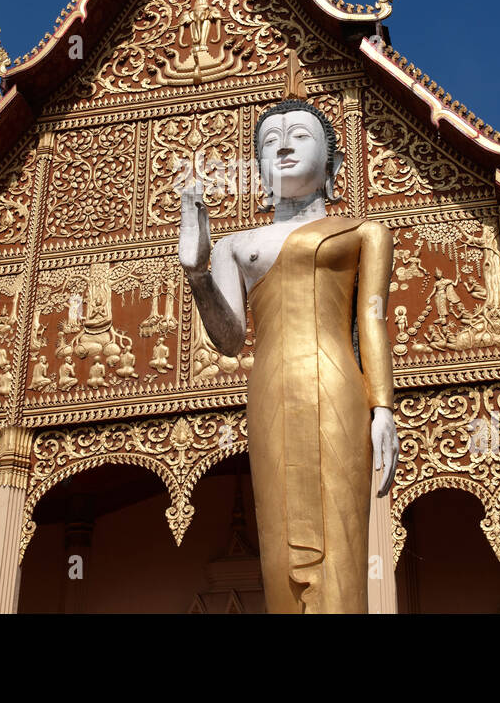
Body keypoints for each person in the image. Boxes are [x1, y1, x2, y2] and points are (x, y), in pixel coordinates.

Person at [179, 98, 398, 613]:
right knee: (279, 545)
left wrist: (382, 407)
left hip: (336, 384)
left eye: (300, 135)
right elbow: (230, 339)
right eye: (269, 142)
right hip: (270, 393)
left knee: (340, 542)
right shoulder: (237, 245)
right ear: (258, 169)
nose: (282, 146)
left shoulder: (363, 232)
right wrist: (196, 273)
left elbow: (372, 319)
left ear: (334, 164)